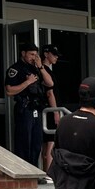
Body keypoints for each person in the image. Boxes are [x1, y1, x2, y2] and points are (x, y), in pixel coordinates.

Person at [4, 43, 52, 166]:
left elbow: (49, 83)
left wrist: (41, 67)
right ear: (23, 53)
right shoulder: (15, 69)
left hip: (37, 108)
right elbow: (9, 91)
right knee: (24, 142)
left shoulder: (36, 68)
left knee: (36, 142)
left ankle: (34, 172)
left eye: (36, 55)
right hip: (24, 108)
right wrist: (27, 82)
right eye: (31, 54)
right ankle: (24, 172)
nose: (33, 57)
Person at [39, 44, 61, 173]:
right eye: (54, 54)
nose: (56, 57)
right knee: (50, 144)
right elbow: (49, 93)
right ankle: (49, 174)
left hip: (46, 111)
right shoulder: (44, 71)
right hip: (49, 111)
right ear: (46, 54)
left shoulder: (47, 71)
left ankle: (45, 172)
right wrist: (56, 112)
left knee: (46, 145)